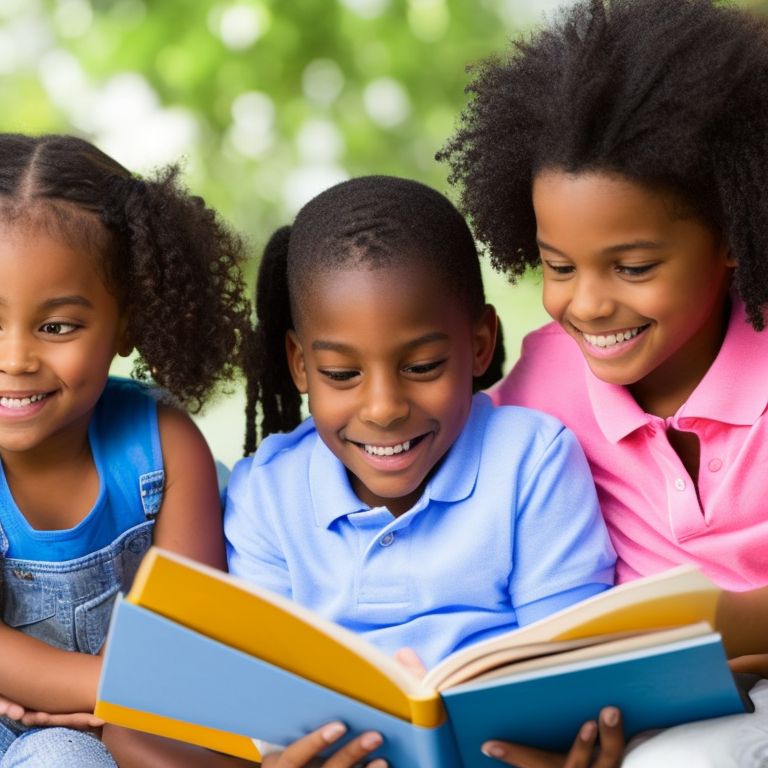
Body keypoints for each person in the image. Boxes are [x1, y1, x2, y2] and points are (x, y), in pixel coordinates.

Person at [438, 0, 768, 765]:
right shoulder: (544, 380)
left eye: (634, 267)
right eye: (559, 266)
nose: (586, 304)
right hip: (639, 719)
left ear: (731, 237)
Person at [224, 175, 616, 766]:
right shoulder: (265, 494)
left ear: (479, 344)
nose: (383, 408)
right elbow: (265, 703)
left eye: (424, 365)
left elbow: (568, 674)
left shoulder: (533, 462)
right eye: (341, 374)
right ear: (300, 365)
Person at [0, 133, 251, 768]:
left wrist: (121, 707)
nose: (16, 359)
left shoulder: (163, 445)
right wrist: (111, 687)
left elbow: (188, 641)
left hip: (129, 734)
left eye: (57, 326)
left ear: (128, 321)